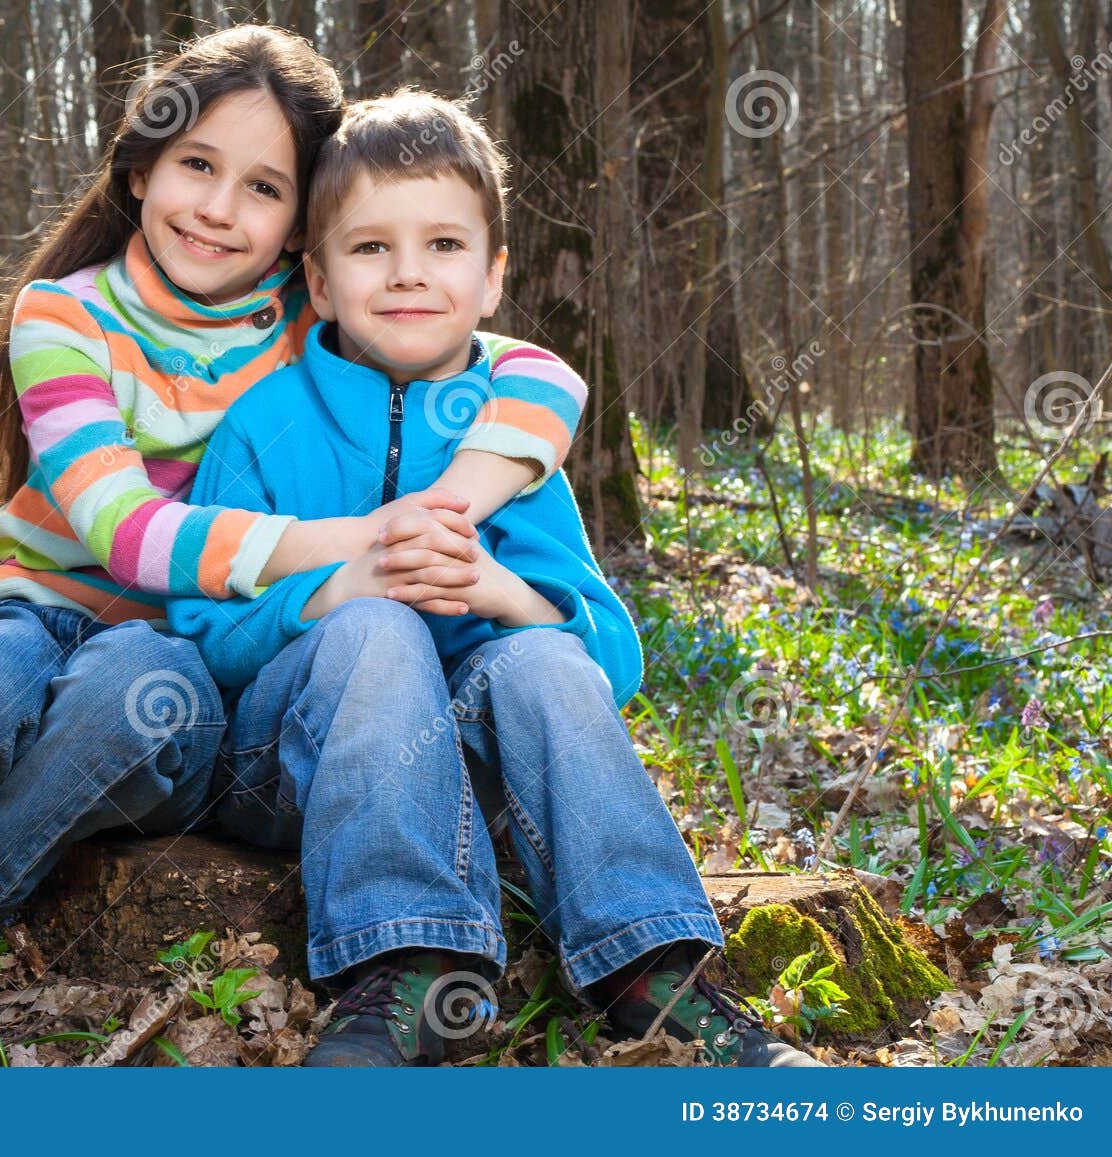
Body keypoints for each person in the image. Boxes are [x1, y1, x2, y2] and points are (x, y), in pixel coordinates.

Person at [0, 27, 588, 1011]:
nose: (219, 209)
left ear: (304, 228)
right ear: (140, 170)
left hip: (180, 647)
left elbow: (538, 375)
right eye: (197, 166)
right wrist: (365, 539)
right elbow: (122, 531)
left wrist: (449, 507)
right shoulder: (64, 316)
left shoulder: (319, 320)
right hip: (39, 607)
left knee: (122, 698)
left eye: (263, 188)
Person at [168, 90, 826, 1067]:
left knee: (538, 661)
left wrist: (497, 590)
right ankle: (407, 964)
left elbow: (607, 661)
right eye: (368, 248)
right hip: (292, 759)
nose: (406, 274)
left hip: (474, 767)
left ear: (491, 278)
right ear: (315, 276)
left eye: (442, 245)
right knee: (376, 631)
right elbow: (200, 635)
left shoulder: (512, 441)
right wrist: (332, 591)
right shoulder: (265, 426)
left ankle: (653, 967)